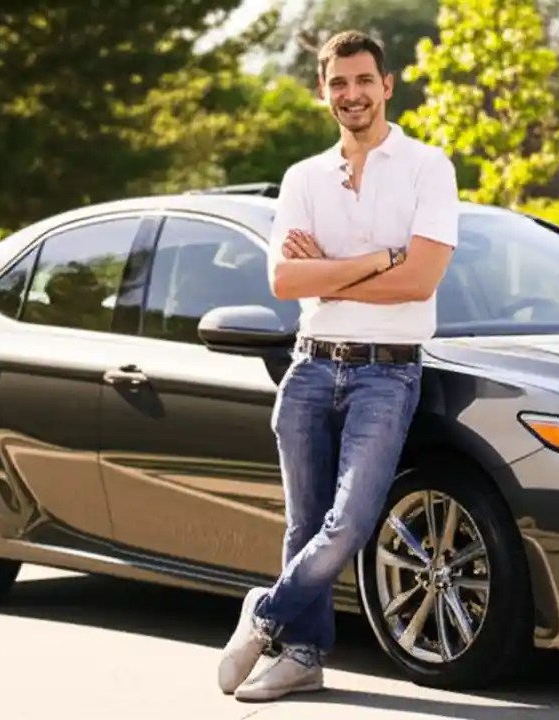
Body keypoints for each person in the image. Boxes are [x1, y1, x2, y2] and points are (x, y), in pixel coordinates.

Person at [215, 29, 460, 703]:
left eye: (363, 80)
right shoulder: (303, 178)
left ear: (387, 85)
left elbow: (420, 281)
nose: (352, 94)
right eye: (338, 83)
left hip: (388, 373)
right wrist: (372, 260)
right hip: (310, 368)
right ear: (322, 91)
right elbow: (284, 282)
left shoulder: (426, 168)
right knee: (303, 523)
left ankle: (264, 614)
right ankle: (302, 656)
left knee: (349, 521)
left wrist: (328, 272)